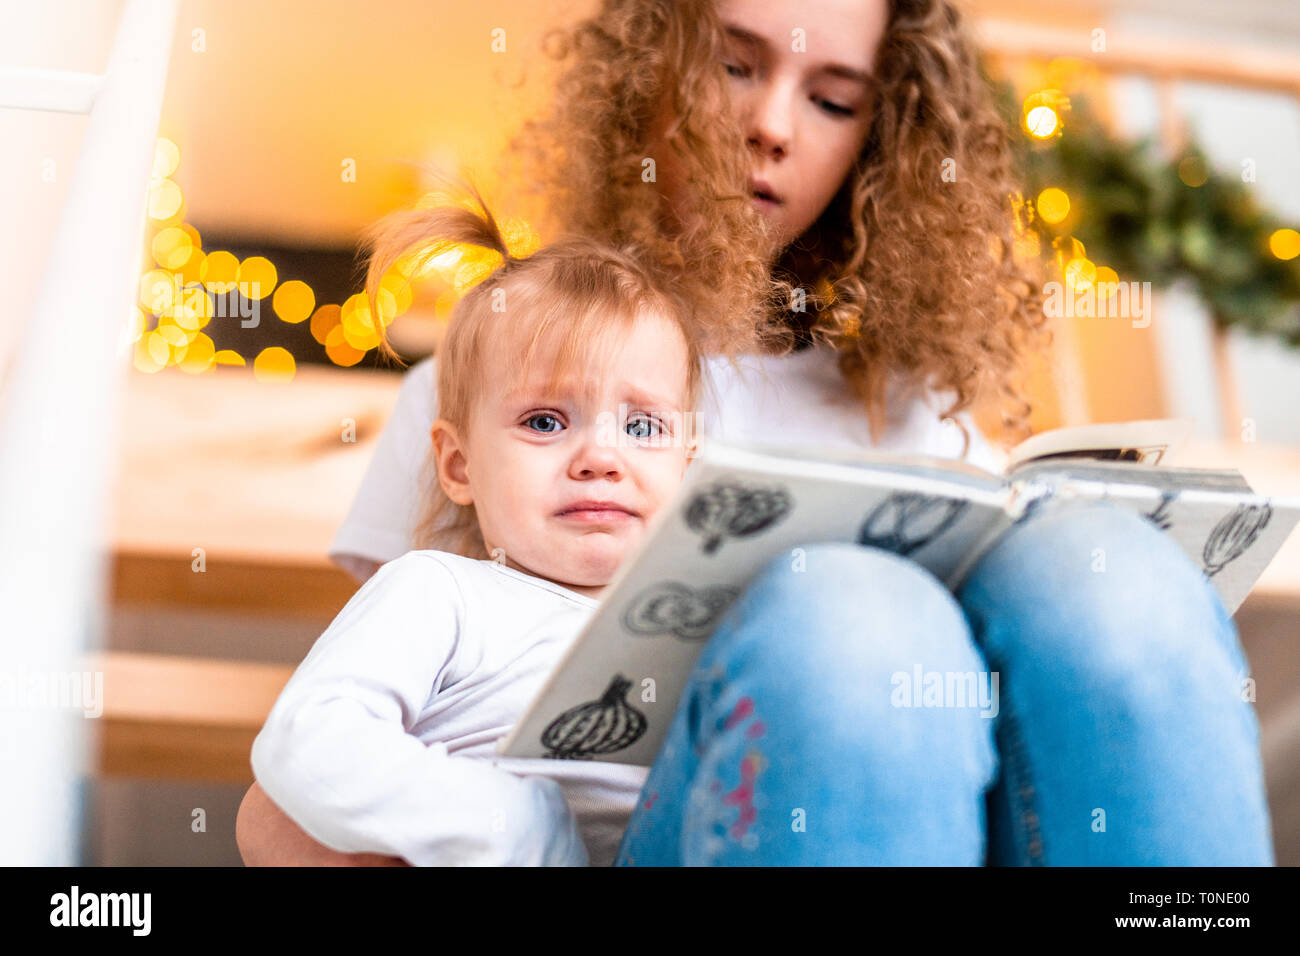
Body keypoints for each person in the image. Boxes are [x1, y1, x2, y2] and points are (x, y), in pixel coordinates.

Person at [237, 0, 1273, 865]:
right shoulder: (488, 378)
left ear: (880, 138)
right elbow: (315, 793)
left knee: (1111, 573)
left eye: (831, 99)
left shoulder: (914, 412)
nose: (773, 125)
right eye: (732, 66)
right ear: (645, 66)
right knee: (852, 617)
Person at [249, 187, 707, 866]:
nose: (601, 457)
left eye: (642, 426)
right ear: (459, 466)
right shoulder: (440, 592)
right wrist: (513, 824)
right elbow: (308, 739)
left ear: (689, 470)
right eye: (545, 421)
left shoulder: (703, 627)